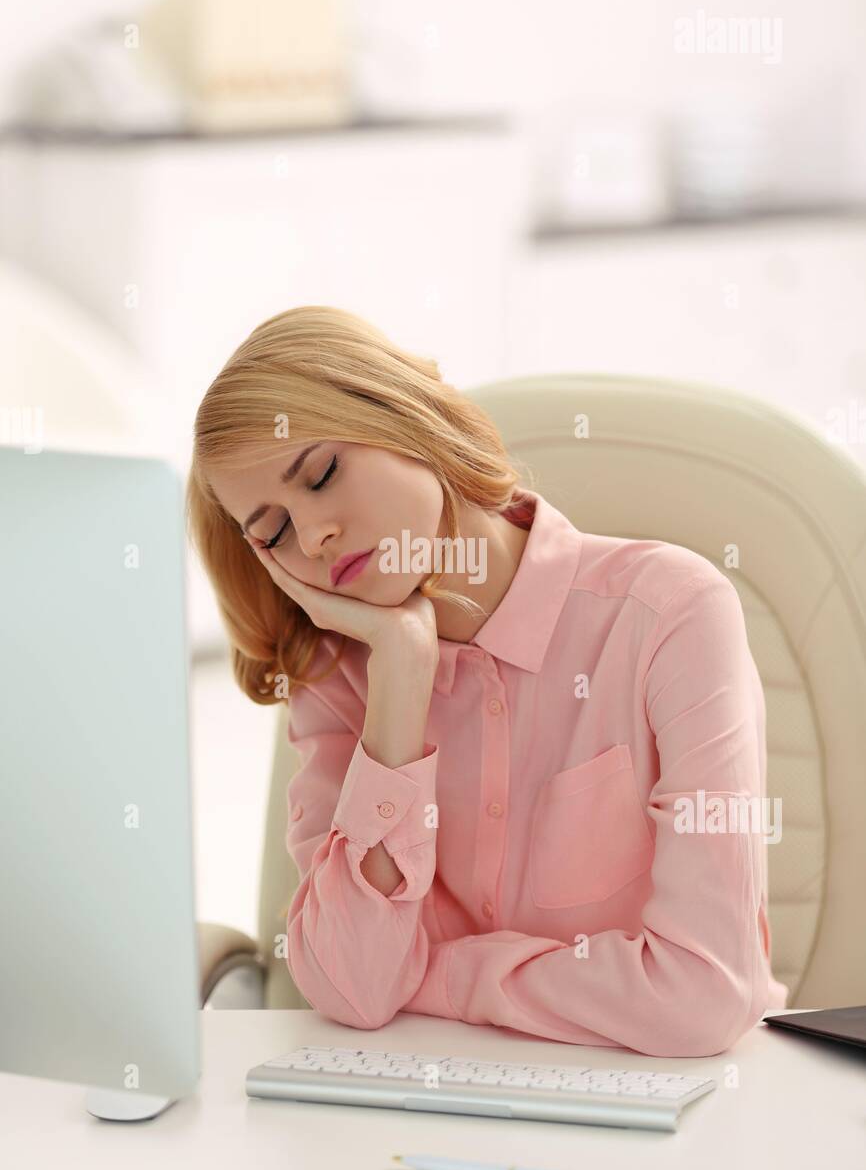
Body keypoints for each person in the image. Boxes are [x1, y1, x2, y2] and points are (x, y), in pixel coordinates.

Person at [186, 303, 789, 1056]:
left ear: (410, 418)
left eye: (322, 474)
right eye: (272, 533)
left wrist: (445, 980)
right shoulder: (338, 676)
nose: (312, 537)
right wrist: (400, 684)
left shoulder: (670, 616)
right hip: (415, 1125)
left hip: (674, 1118)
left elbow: (705, 994)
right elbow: (349, 986)